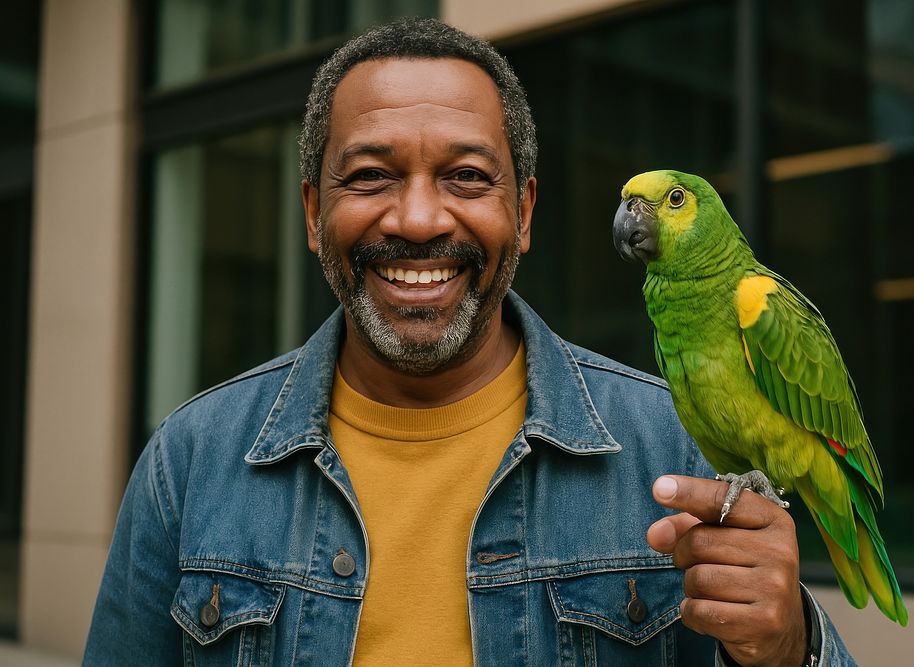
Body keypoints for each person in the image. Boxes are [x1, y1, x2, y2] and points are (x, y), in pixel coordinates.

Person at [83, 18, 855, 666]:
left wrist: (790, 642)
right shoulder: (188, 461)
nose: (418, 220)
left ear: (522, 211)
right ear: (314, 213)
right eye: (371, 176)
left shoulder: (677, 447)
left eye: (465, 176)